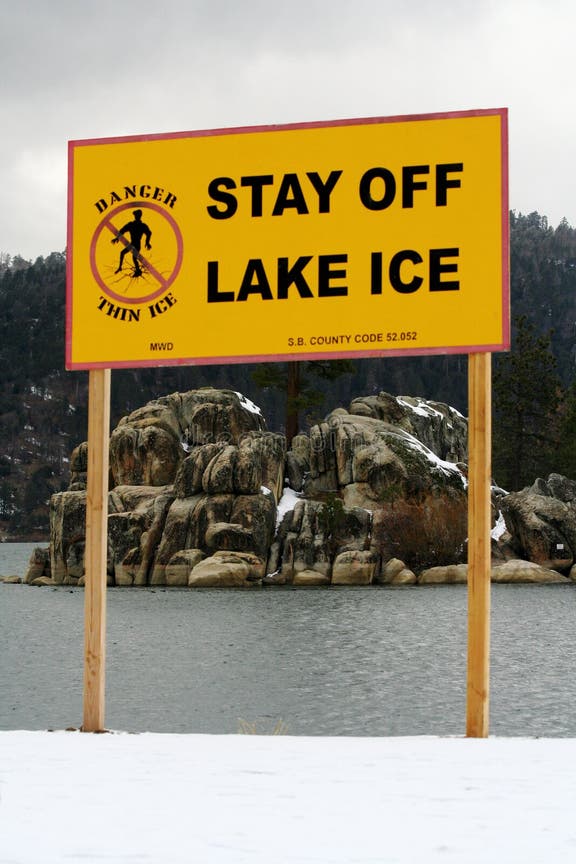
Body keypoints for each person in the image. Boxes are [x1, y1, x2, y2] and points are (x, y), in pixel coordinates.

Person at [112, 209, 152, 277]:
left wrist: (147, 242)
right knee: (122, 253)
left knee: (134, 258)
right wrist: (117, 238)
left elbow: (149, 233)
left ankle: (138, 271)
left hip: (137, 244)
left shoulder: (142, 225)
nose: (136, 217)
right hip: (132, 243)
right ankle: (120, 268)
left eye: (137, 215)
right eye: (136, 215)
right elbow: (122, 230)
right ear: (135, 216)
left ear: (140, 216)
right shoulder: (132, 224)